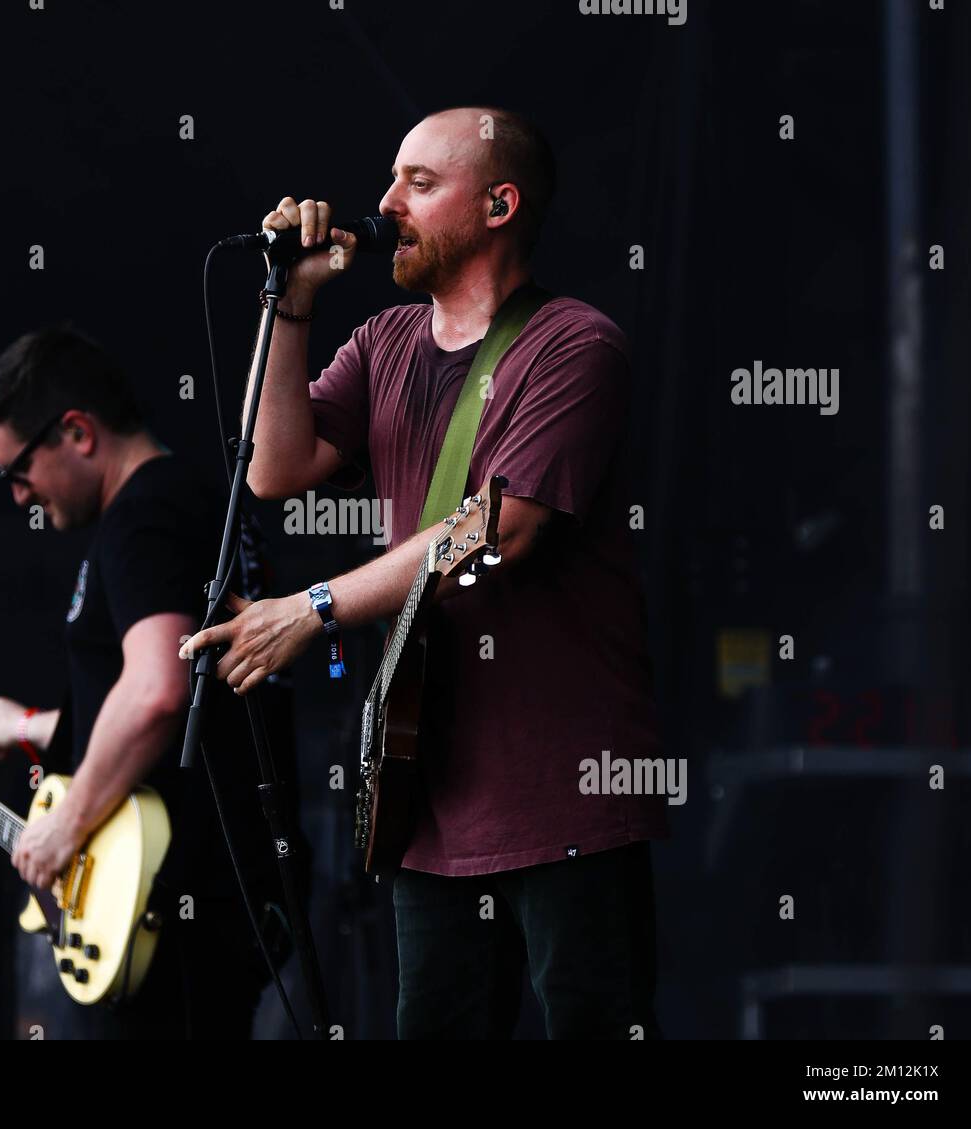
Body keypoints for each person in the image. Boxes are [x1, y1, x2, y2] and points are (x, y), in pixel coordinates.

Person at [181, 106, 667, 1039]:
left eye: (418, 182)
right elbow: (274, 468)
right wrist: (292, 301)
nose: (384, 202)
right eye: (391, 179)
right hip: (427, 791)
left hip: (566, 787)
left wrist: (313, 608)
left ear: (499, 204)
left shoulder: (575, 344)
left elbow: (498, 529)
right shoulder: (386, 343)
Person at [0, 325, 297, 1039]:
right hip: (195, 893)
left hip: (176, 899)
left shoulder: (144, 514)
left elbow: (155, 692)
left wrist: (64, 826)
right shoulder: (189, 502)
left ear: (77, 432)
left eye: (16, 471)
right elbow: (165, 711)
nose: (18, 495)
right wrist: (24, 725)